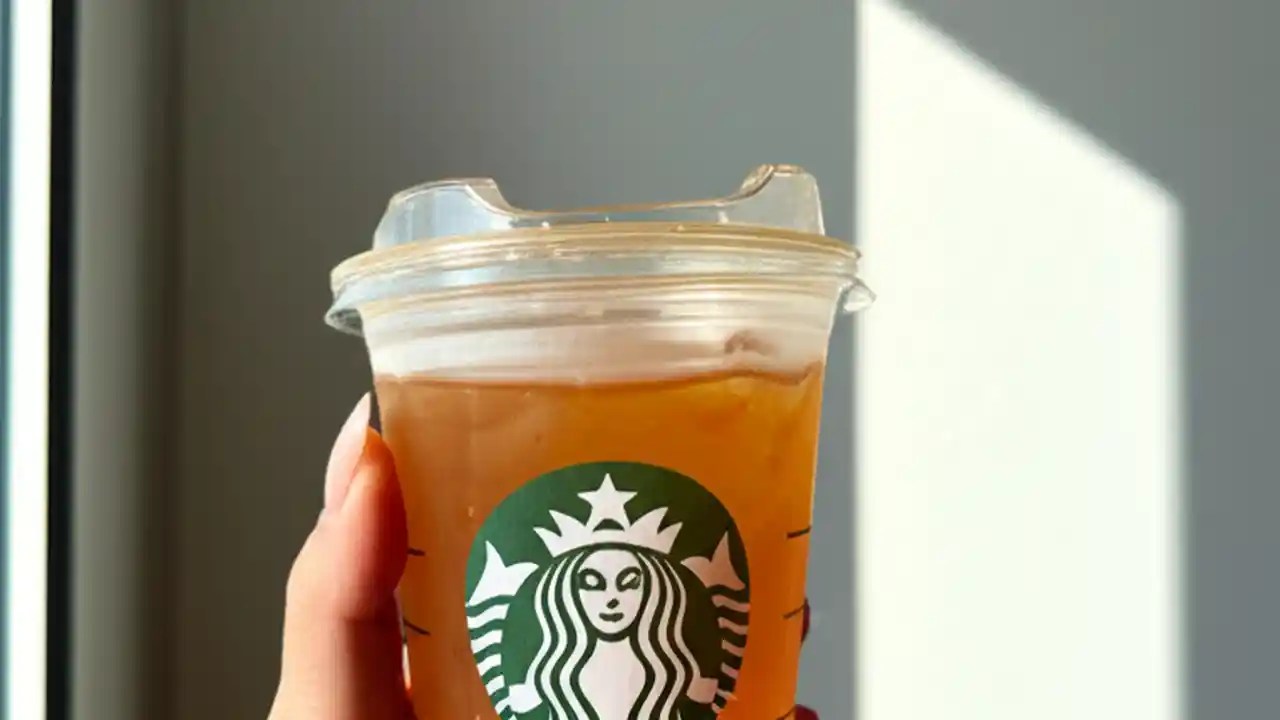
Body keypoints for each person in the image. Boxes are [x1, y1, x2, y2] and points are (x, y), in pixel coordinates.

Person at [267, 395, 818, 719]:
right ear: (562, 594)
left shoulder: (691, 682)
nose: (610, 599)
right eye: (591, 584)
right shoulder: (536, 686)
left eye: (629, 581)